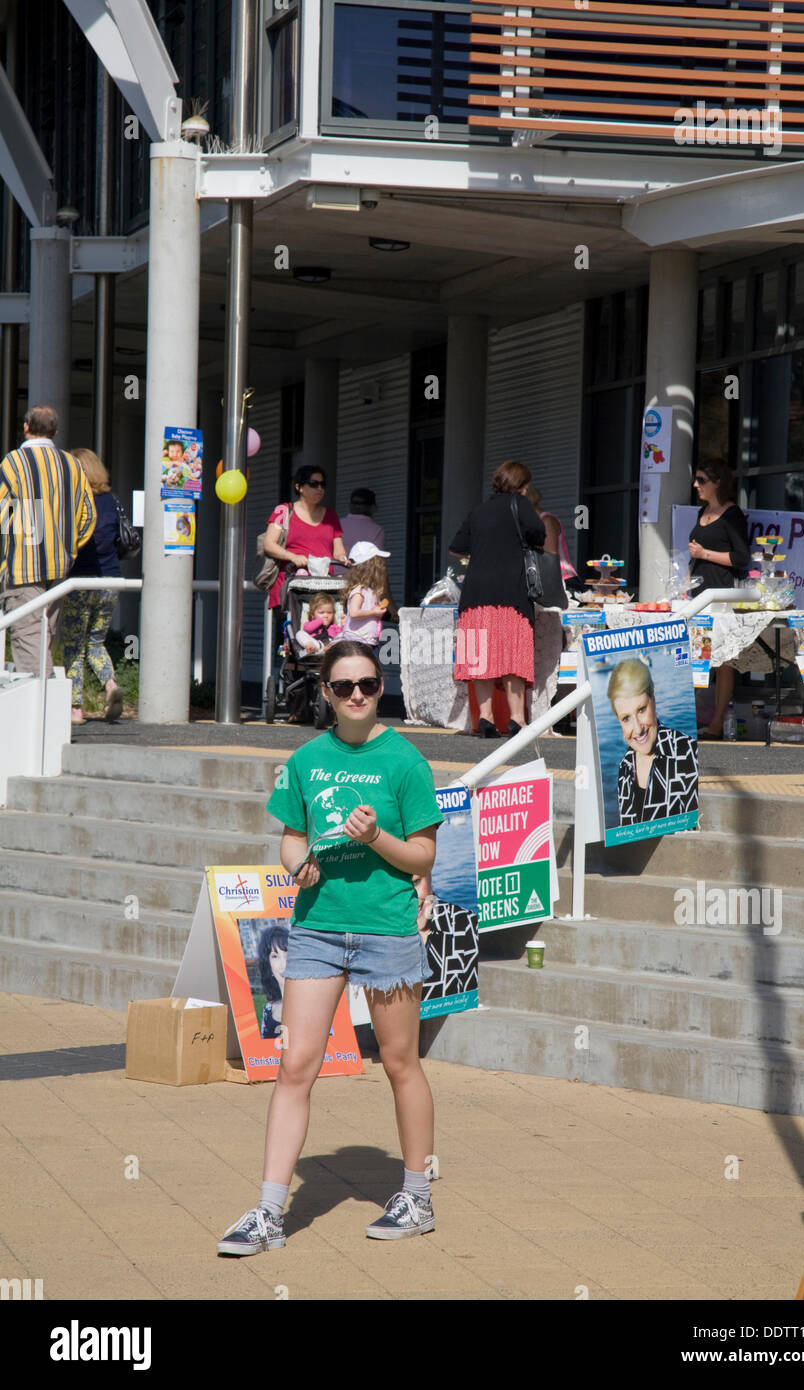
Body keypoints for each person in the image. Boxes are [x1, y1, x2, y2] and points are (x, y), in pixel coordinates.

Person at [217, 640, 443, 1254]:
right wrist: (297, 868)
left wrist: (376, 839)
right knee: (295, 1066)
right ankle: (268, 1213)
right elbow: (293, 840)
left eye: (367, 684)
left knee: (400, 1063)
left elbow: (423, 856)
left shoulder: (407, 763)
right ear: (325, 693)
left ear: (379, 686)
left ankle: (416, 1195)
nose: (357, 696)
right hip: (316, 930)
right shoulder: (307, 760)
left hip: (388, 929)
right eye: (343, 687)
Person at [449, 460, 546, 738]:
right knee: (512, 655)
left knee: (480, 659)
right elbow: (540, 535)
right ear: (522, 486)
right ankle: (517, 718)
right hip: (511, 593)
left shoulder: (478, 510)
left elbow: (456, 548)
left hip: (476, 594)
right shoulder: (520, 505)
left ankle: (486, 719)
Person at [0, 404, 95, 676]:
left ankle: (39, 715)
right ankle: (47, 709)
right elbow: (87, 515)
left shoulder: (13, 462)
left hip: (23, 568)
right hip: (60, 568)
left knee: (29, 642)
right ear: (55, 431)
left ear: (26, 427)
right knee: (44, 638)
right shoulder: (72, 464)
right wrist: (68, 547)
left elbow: (3, 510)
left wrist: (26, 537)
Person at [57, 448, 125, 724]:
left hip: (80, 581)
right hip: (111, 581)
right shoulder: (111, 500)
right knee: (96, 642)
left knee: (74, 644)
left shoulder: (75, 501)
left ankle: (75, 709)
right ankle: (111, 686)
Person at [687, 459, 750, 739]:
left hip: (720, 594)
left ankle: (716, 724)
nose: (696, 485)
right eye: (696, 480)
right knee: (697, 656)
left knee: (723, 659)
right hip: (698, 594)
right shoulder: (703, 511)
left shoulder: (732, 514)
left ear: (718, 482)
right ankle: (691, 718)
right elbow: (696, 552)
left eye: (701, 480)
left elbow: (741, 558)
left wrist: (705, 555)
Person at [608, 658, 698, 825]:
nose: (637, 729)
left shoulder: (687, 751)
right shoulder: (625, 766)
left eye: (641, 710)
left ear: (653, 700)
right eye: (626, 718)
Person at [262, 465, 349, 616]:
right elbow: (269, 544)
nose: (319, 488)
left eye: (323, 484)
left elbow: (338, 550)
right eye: (314, 484)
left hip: (322, 589)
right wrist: (293, 557)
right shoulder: (284, 511)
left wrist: (343, 559)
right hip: (292, 588)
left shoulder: (331, 515)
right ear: (299, 487)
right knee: (289, 635)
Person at [525, 483, 577, 584]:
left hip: (562, 581)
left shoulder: (546, 521)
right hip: (548, 582)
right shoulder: (531, 524)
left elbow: (550, 560)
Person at [341, 541, 391, 646]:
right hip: (356, 640)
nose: (382, 568)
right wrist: (374, 613)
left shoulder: (370, 591)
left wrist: (377, 612)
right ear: (369, 568)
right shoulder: (359, 590)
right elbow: (354, 613)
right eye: (379, 564)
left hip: (366, 640)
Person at [257, 923, 289, 1041]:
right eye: (275, 956)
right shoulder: (268, 1009)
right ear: (268, 964)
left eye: (287, 955)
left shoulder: (313, 1006)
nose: (283, 965)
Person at [339, 487, 386, 557]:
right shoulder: (377, 530)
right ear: (373, 507)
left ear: (350, 505)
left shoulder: (336, 524)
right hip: (361, 568)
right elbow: (376, 561)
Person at [295, 591, 344, 656]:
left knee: (342, 636)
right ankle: (311, 646)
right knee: (299, 633)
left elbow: (341, 634)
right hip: (316, 644)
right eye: (321, 613)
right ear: (313, 615)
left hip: (330, 644)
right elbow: (307, 629)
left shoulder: (333, 626)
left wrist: (343, 624)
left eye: (329, 613)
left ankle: (328, 650)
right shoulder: (310, 623)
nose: (326, 615)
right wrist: (320, 621)